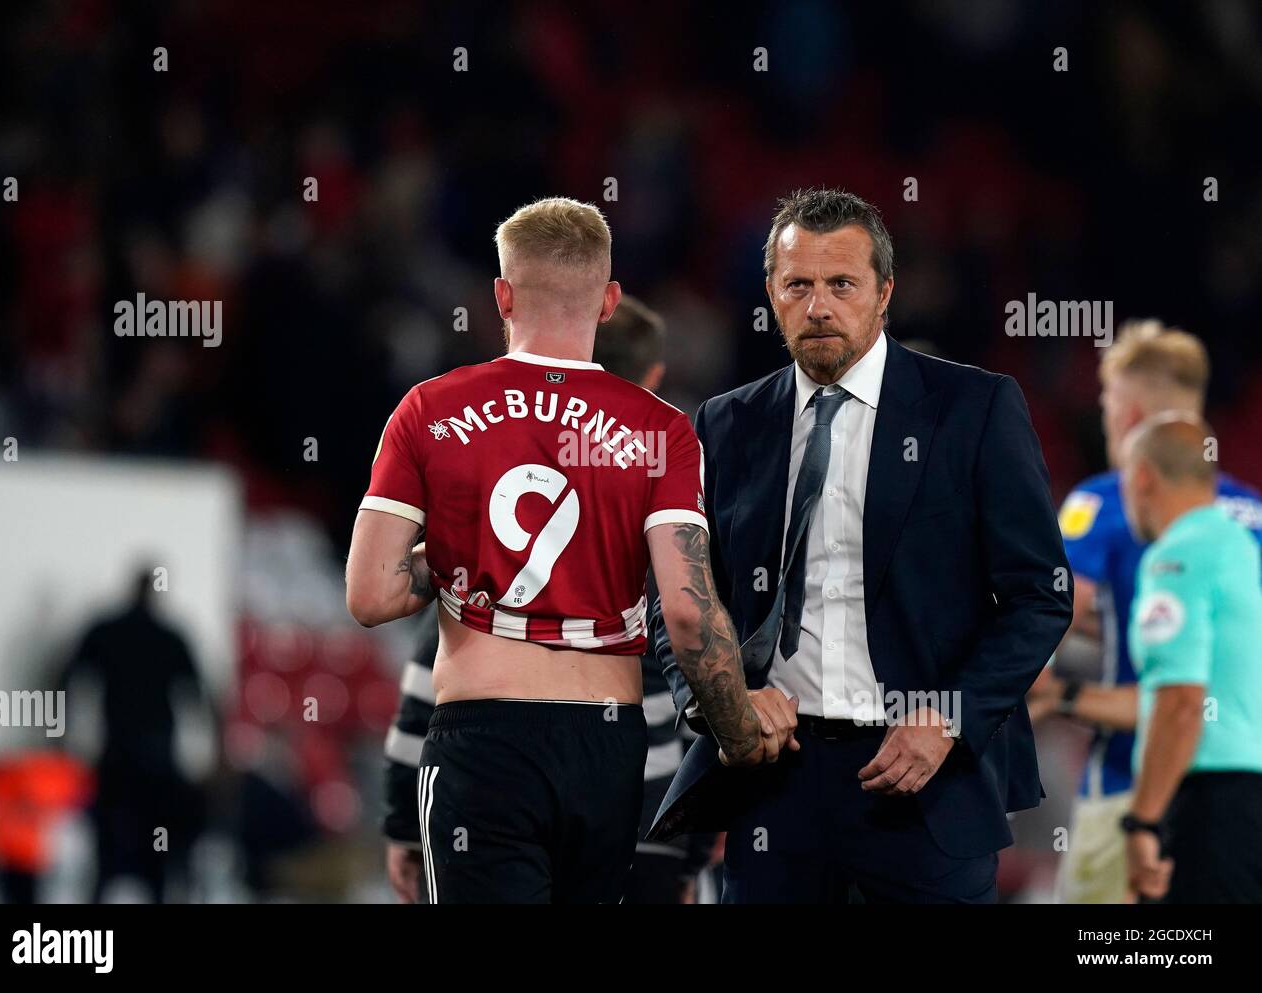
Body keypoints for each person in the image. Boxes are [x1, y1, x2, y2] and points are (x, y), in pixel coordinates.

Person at [647, 187, 1072, 903]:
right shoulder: (725, 424)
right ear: (772, 295)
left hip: (927, 781)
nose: (819, 306)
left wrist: (947, 717)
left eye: (841, 283)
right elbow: (676, 600)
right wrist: (725, 700)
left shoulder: (972, 408)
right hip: (775, 783)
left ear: (885, 294)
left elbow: (1039, 595)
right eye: (798, 285)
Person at [346, 198, 770, 904]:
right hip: (606, 743)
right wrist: (739, 738)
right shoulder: (662, 430)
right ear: (608, 303)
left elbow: (370, 594)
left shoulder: (429, 409)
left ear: (502, 295)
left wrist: (452, 551)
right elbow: (690, 617)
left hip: (482, 737)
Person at [379, 295, 718, 904]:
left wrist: (404, 821)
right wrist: (695, 836)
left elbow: (424, 666)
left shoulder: (482, 447)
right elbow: (694, 643)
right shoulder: (665, 469)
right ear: (654, 379)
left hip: (491, 756)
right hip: (638, 788)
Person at [1030, 321, 1262, 903]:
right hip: (1240, 782)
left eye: (1108, 405)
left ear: (1129, 418)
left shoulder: (1106, 501)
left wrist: (1044, 691)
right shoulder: (1251, 514)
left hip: (1133, 786)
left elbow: (1044, 615)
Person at [1118, 413, 1262, 903]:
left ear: (1141, 478)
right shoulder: (1237, 544)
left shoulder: (1177, 555)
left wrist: (1143, 821)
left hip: (1209, 803)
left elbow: (1180, 699)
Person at [60, 567, 210, 903]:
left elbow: (69, 677)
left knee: (106, 847)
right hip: (156, 758)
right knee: (157, 849)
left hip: (117, 754)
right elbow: (200, 696)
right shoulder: (170, 636)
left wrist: (62, 735)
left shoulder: (107, 630)